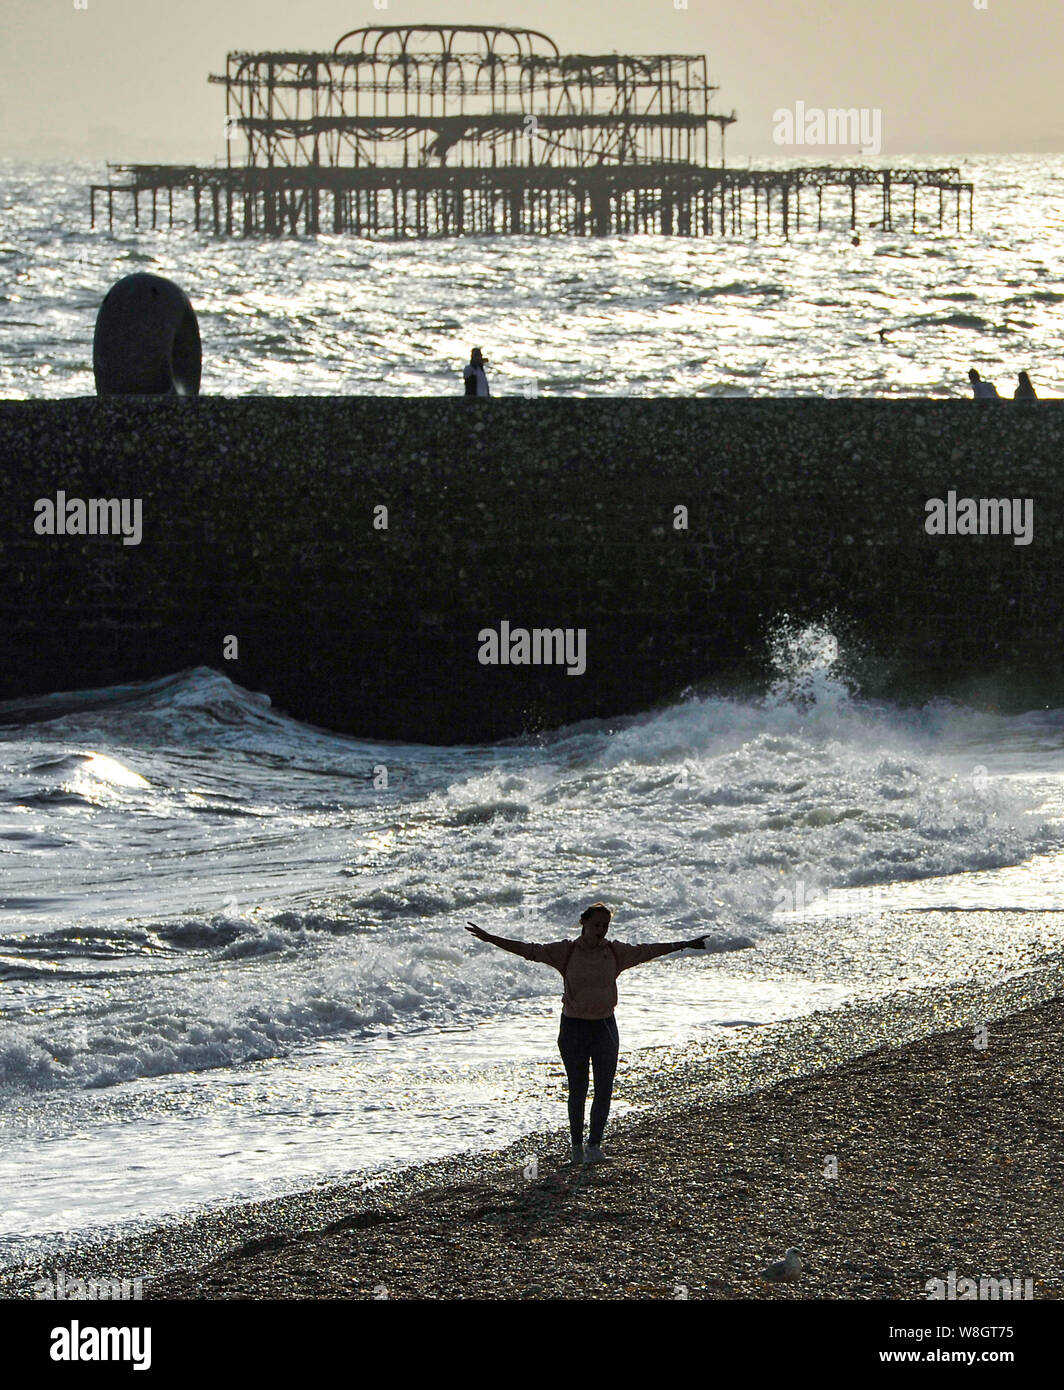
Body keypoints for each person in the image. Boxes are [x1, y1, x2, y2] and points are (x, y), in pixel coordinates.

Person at [465, 903, 707, 1164]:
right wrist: (491, 939)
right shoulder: (566, 951)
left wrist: (685, 943)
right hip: (574, 1029)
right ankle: (577, 1149)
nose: (601, 930)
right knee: (578, 1089)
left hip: (605, 1027)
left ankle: (595, 1147)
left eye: (605, 926)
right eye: (596, 925)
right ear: (584, 923)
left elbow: (647, 951)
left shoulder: (615, 952)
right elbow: (529, 950)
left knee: (604, 1088)